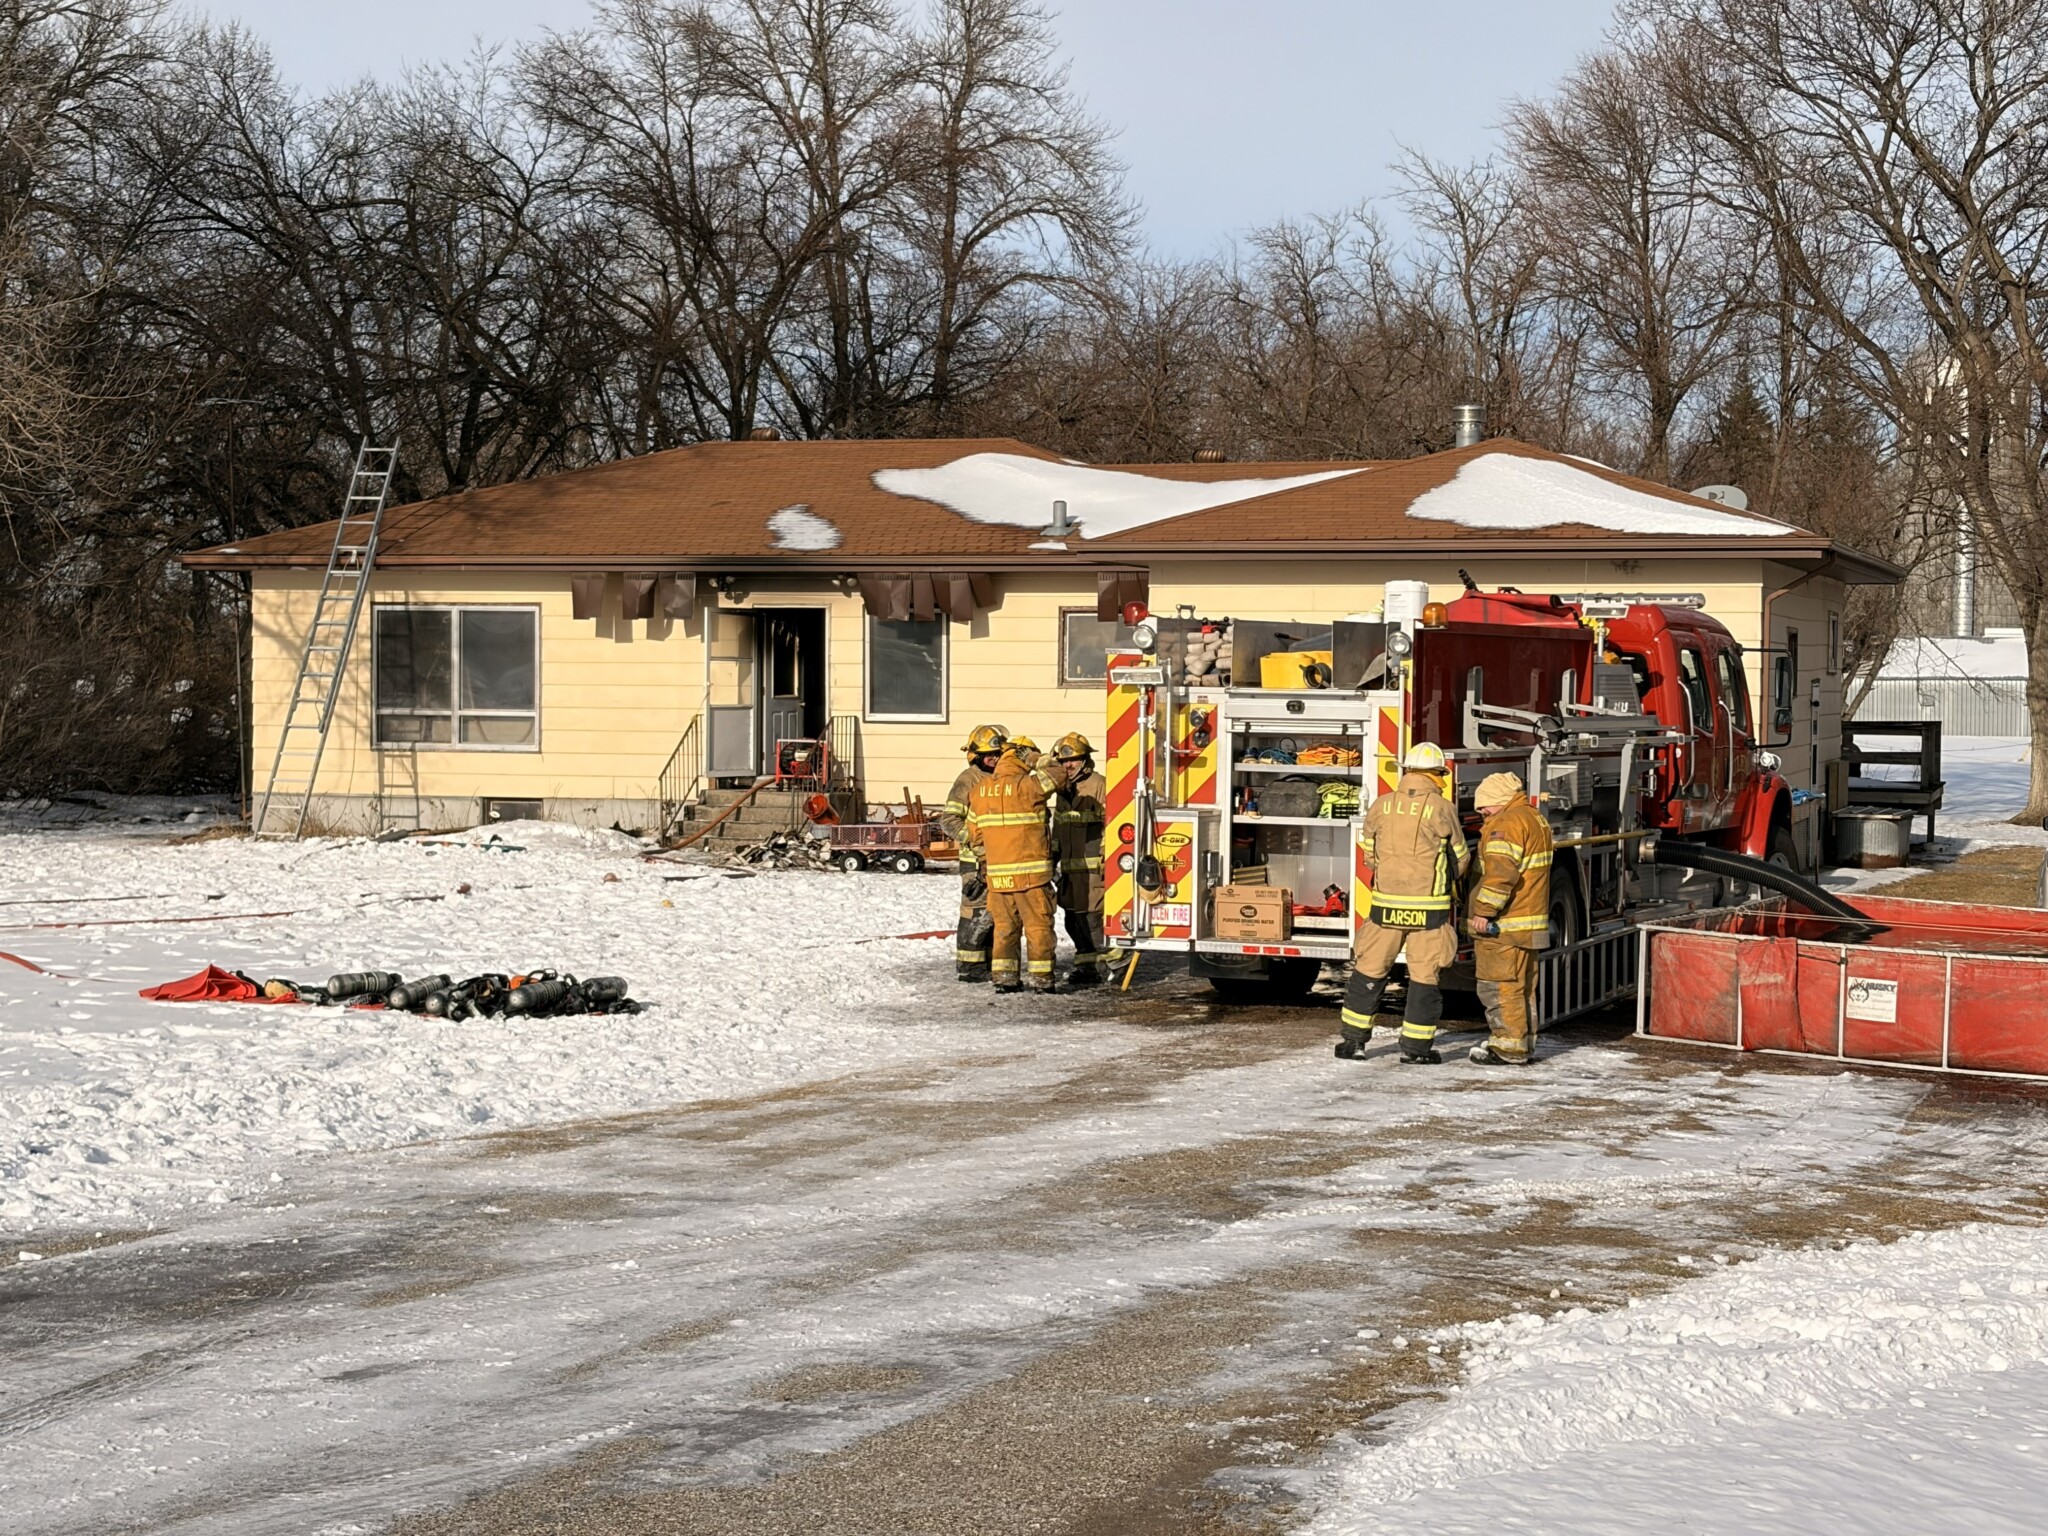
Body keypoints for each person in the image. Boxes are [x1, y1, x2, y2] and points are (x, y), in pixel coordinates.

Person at [1336, 742, 1471, 1065]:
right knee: (1424, 977)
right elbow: (1460, 858)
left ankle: (1353, 1043)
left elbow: (1370, 854)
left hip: (1385, 908)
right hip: (1429, 911)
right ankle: (1416, 1050)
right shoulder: (1442, 808)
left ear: (1407, 772)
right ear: (1437, 774)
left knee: (1369, 970)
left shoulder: (1381, 805)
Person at [1465, 771, 1554, 1065]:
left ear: (1499, 801)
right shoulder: (1533, 818)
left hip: (1505, 927)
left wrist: (1483, 912)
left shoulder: (1505, 824)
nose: (1482, 814)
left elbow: (1500, 875)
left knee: (1500, 986)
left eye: (1484, 807)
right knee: (1522, 987)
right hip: (1529, 924)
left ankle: (1507, 1048)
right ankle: (1522, 1043)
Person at [966, 738, 1060, 993]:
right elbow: (1058, 775)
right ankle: (1041, 980)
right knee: (1038, 928)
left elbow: (975, 837)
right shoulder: (1029, 785)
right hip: (1032, 877)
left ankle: (1005, 979)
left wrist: (989, 862)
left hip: (998, 878)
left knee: (1005, 929)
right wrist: (1037, 760)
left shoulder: (979, 791)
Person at [941, 724, 1007, 982]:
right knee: (975, 913)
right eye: (988, 754)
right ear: (975, 756)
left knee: (997, 914)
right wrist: (974, 840)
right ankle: (970, 967)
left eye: (997, 753)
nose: (993, 758)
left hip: (1001, 860)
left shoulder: (1004, 777)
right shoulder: (968, 779)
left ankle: (990, 964)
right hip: (975, 864)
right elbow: (949, 819)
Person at [1049, 732, 1108, 987]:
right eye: (1063, 762)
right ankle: (1086, 969)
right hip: (1071, 872)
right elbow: (1059, 829)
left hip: (1094, 870)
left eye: (1073, 760)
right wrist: (1051, 860)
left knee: (1092, 920)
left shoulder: (1099, 785)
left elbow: (1114, 824)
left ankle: (1106, 968)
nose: (1068, 765)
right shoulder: (1062, 791)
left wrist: (1108, 858)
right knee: (1073, 920)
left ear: (1085, 760)